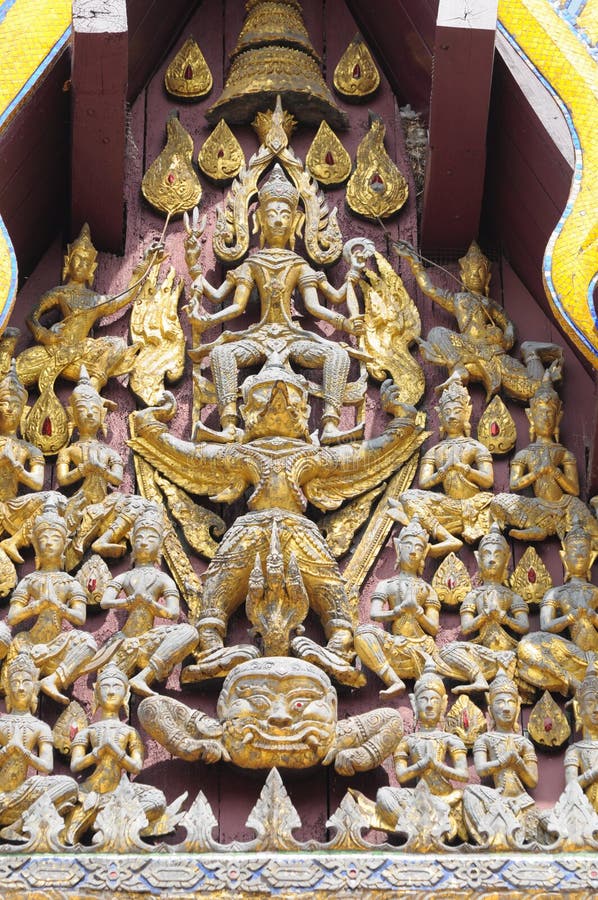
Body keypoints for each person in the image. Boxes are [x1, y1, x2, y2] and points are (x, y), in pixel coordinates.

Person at [130, 356, 424, 686]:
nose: (276, 404)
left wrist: (402, 425)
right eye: (262, 397)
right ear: (246, 412)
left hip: (298, 528)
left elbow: (365, 456)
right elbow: (190, 457)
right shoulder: (242, 455)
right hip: (251, 527)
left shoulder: (310, 456)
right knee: (220, 582)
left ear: (304, 410)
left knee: (326, 582)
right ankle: (211, 642)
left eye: (290, 399)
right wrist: (152, 431)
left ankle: (339, 642)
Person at [185, 164, 368, 444]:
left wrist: (346, 319)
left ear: (295, 221)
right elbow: (227, 300)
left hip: (291, 337)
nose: (279, 220)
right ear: (259, 220)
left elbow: (323, 303)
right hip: (259, 337)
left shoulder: (298, 263)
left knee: (337, 355)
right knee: (222, 355)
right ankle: (229, 425)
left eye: (285, 214)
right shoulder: (252, 263)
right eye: (272, 213)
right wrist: (194, 267)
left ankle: (330, 424)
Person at [394, 238, 563, 401]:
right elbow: (429, 289)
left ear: (487, 278)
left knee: (532, 387)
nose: (475, 274)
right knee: (436, 333)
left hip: (491, 351)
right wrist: (414, 261)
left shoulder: (490, 304)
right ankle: (458, 368)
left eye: (480, 271)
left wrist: (505, 336)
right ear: (463, 275)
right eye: (471, 271)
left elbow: (508, 325)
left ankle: (532, 352)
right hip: (467, 345)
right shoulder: (458, 299)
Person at [95, 508, 198, 696]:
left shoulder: (162, 579)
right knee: (108, 685)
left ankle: (144, 676)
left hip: (150, 642)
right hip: (125, 640)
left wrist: (151, 603)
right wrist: (128, 601)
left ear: (160, 543)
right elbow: (105, 601)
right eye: (139, 537)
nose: (144, 542)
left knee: (189, 632)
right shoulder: (125, 577)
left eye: (151, 539)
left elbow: (173, 613)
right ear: (132, 541)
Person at [389, 374, 494, 555]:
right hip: (448, 503)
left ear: (467, 413)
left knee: (496, 505)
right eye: (447, 412)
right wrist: (443, 471)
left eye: (457, 411)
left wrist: (465, 469)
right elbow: (424, 483)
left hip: (475, 502)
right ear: (440, 416)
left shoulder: (476, 447)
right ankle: (447, 538)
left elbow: (488, 481)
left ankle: (454, 525)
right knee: (407, 497)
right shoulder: (435, 451)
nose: (452, 416)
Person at [65, 665, 169, 844]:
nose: (111, 692)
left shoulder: (129, 732)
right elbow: (75, 765)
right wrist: (97, 753)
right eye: (105, 687)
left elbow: (136, 767)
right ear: (96, 692)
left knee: (157, 799)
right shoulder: (88, 731)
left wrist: (117, 752)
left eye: (117, 687)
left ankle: (112, 823)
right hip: (91, 791)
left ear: (126, 694)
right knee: (67, 830)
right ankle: (110, 823)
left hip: (120, 792)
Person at [8, 497, 97, 703]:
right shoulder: (30, 580)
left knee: (87, 642)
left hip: (57, 646)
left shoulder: (69, 582)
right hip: (29, 643)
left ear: (65, 544)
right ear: (36, 545)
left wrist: (58, 606)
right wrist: (36, 606)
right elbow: (12, 617)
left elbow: (80, 618)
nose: (48, 542)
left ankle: (55, 680)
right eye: (43, 538)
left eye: (55, 537)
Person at [0, 653, 77, 841]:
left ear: (34, 688)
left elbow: (46, 766)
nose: (20, 688)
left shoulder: (40, 727)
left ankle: (17, 827)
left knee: (69, 785)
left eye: (26, 682)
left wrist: (25, 753)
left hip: (23, 794)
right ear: (7, 688)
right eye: (15, 682)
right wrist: (7, 750)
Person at [518, 523, 598, 695]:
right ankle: (575, 684)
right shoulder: (556, 593)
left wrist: (593, 618)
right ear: (564, 558)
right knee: (528, 643)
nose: (578, 554)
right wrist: (570, 617)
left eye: (583, 549)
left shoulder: (596, 592)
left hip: (595, 652)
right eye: (573, 550)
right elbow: (546, 625)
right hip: (572, 653)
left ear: (591, 557)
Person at [464, 672, 540, 847]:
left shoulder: (524, 743)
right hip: (496, 798)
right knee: (469, 792)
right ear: (490, 710)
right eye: (500, 702)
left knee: (548, 822)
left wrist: (518, 763)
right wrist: (502, 762)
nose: (506, 708)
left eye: (511, 702)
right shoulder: (485, 739)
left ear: (518, 708)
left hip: (523, 801)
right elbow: (481, 769)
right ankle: (488, 837)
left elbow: (533, 780)